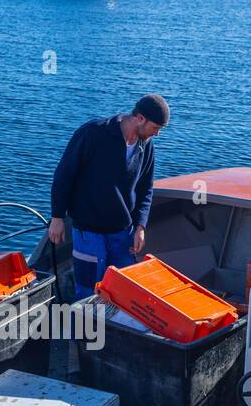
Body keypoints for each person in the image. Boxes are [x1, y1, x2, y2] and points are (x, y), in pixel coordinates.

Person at [49, 94, 169, 300]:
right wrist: (57, 217)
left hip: (122, 234)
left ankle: (114, 332)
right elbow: (64, 175)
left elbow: (145, 188)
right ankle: (83, 332)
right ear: (140, 118)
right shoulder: (93, 133)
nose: (156, 134)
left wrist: (140, 226)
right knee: (87, 292)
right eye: (155, 128)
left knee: (124, 292)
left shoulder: (146, 145)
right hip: (88, 232)